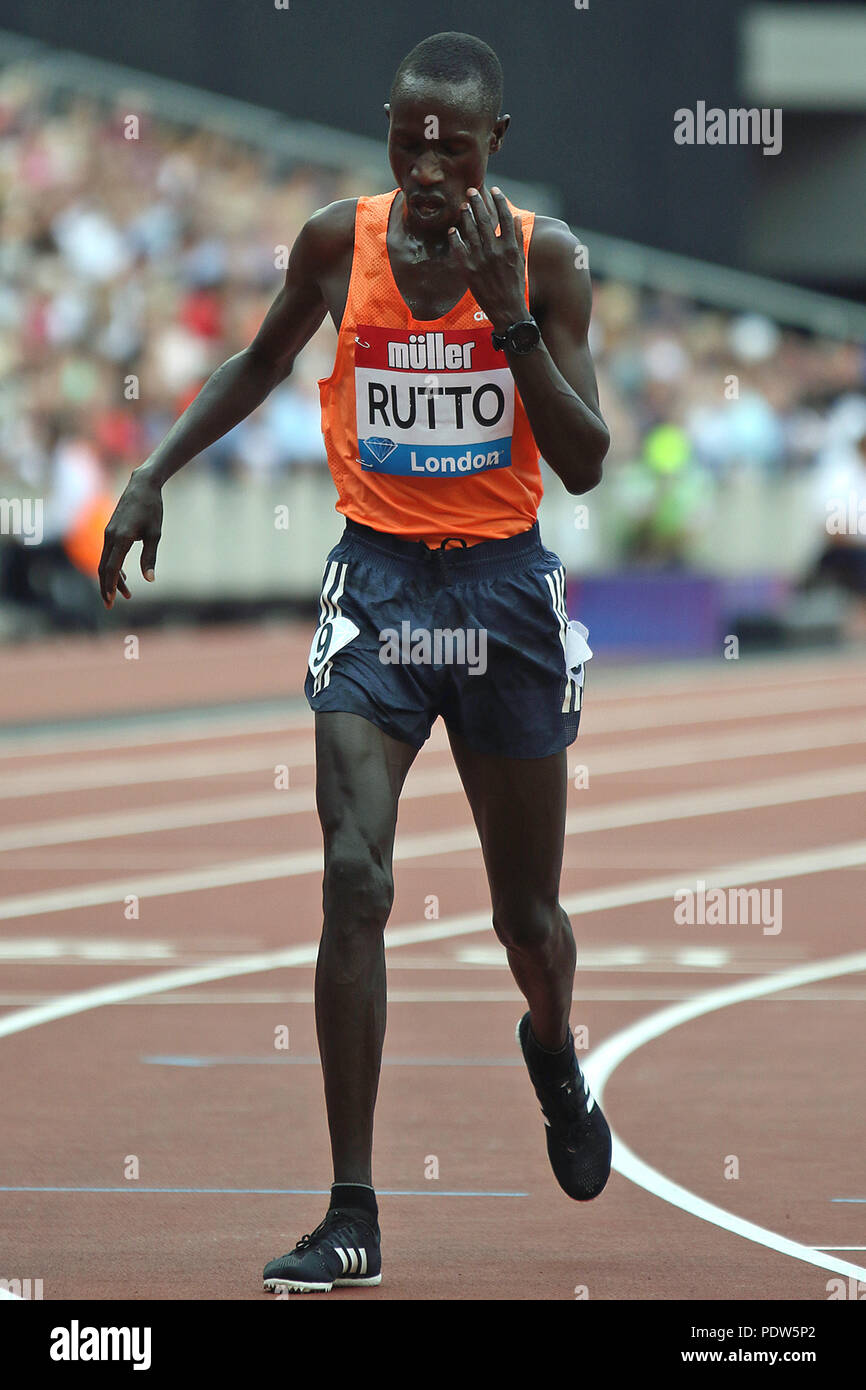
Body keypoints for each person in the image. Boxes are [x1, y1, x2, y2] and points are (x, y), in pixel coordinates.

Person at [99, 31, 612, 1296]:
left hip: (501, 593)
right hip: (378, 583)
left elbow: (588, 457)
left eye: (452, 144)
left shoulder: (546, 262)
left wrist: (509, 321)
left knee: (525, 921)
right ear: (387, 133)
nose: (426, 165)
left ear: (497, 144)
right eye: (406, 139)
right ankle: (350, 1210)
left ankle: (549, 1043)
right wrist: (153, 470)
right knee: (352, 871)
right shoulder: (340, 242)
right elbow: (264, 359)